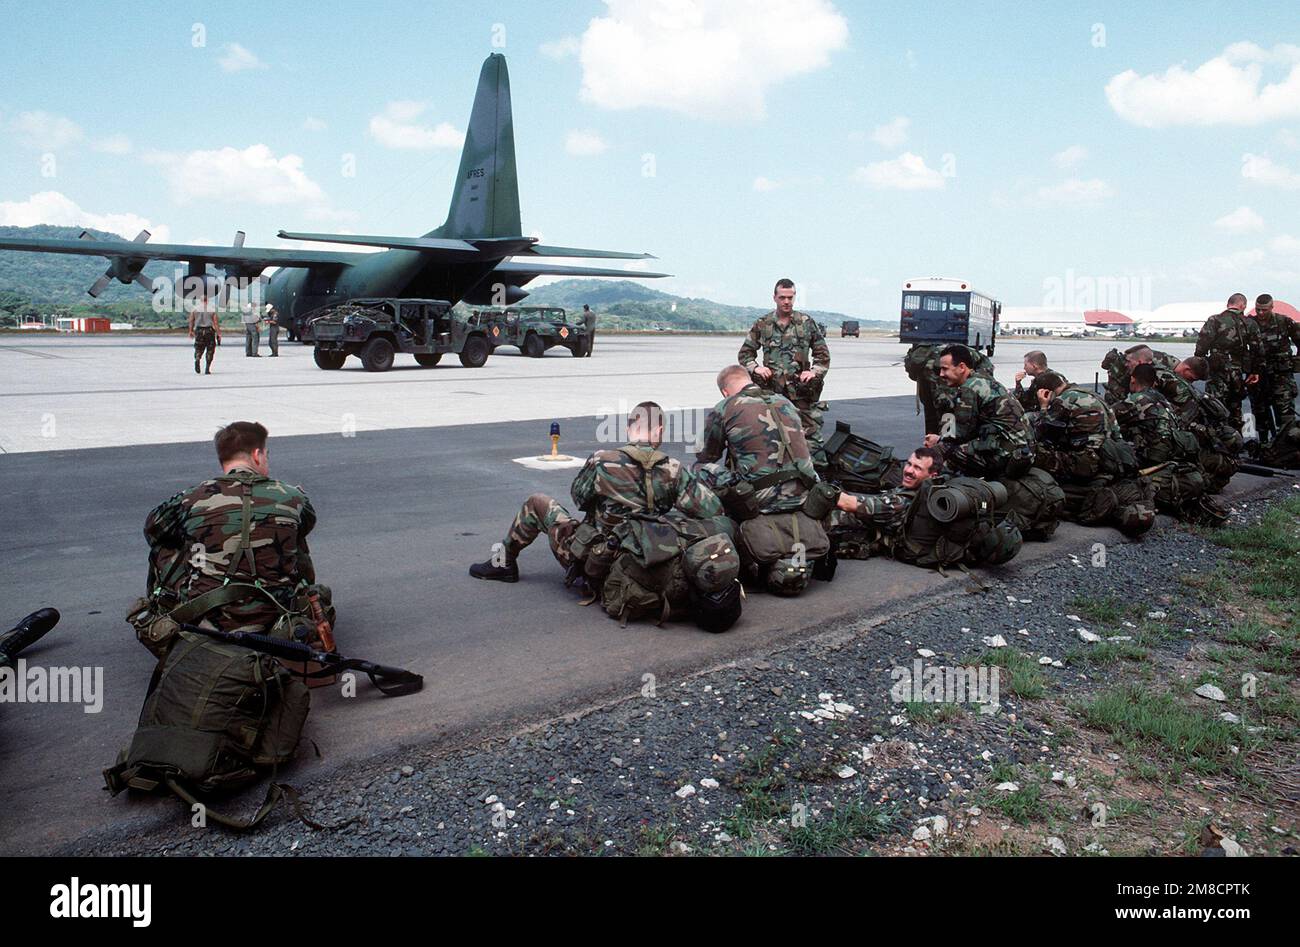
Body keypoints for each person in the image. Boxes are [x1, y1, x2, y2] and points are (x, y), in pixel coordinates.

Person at [468, 402, 724, 583]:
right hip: (643, 561)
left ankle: (503, 563)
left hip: (596, 559)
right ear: (659, 432)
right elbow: (711, 510)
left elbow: (579, 498)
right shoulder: (674, 469)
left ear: (629, 429)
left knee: (537, 503)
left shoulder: (602, 460)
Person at [142, 421, 327, 636]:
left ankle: (167, 605)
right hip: (277, 611)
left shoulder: (192, 497)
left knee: (166, 544)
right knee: (292, 535)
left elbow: (153, 530)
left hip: (206, 613)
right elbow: (306, 525)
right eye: (266, 454)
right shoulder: (292, 496)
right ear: (257, 455)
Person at [1030, 371, 1155, 536]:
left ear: (1046, 391)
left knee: (1037, 453)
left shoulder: (1064, 400)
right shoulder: (1093, 395)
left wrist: (1044, 407)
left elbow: (1043, 433)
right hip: (1111, 459)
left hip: (1087, 463)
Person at [695, 364, 818, 515]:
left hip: (762, 496)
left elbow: (705, 454)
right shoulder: (785, 402)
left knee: (699, 468)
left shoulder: (726, 406)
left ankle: (721, 518)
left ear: (725, 392)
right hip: (807, 491)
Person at [738, 278, 831, 457]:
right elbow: (745, 354)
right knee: (771, 436)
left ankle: (816, 477)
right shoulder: (763, 324)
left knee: (811, 439)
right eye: (782, 297)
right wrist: (755, 368)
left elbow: (823, 355)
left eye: (790, 297)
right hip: (772, 393)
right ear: (775, 298)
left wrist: (813, 372)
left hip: (801, 393)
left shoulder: (805, 322)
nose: (787, 301)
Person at [923, 345, 1034, 479]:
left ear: (962, 367)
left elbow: (961, 434)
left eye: (945, 369)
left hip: (1011, 456)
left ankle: (932, 488)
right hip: (1023, 451)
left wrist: (938, 440)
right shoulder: (984, 380)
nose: (941, 374)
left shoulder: (969, 389)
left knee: (943, 449)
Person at [1195, 293, 1263, 432]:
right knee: (1235, 405)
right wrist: (1255, 371)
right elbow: (1258, 350)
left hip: (1217, 370)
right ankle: (1235, 440)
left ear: (1228, 304)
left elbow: (1202, 343)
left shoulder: (1215, 320)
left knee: (1214, 405)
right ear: (1242, 305)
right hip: (1237, 372)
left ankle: (1216, 439)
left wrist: (1199, 359)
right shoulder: (1250, 323)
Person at [903, 342, 994, 436]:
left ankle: (948, 440)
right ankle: (936, 441)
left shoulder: (953, 359)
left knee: (957, 410)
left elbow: (986, 377)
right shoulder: (921, 365)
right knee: (936, 411)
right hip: (933, 377)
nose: (942, 374)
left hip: (971, 368)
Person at [1246, 293, 1300, 442]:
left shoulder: (1284, 322)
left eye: (1264, 310)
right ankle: (1264, 443)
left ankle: (1286, 446)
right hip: (1259, 376)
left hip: (1281, 377)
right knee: (1260, 411)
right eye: (1258, 310)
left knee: (1284, 413)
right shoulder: (1251, 323)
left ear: (1271, 307)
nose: (1261, 313)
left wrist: (1294, 363)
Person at [1101, 344, 1179, 405]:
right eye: (1127, 361)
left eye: (1129, 362)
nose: (1126, 364)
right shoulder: (1122, 369)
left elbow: (1182, 370)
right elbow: (1113, 402)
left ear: (1140, 362)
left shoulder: (1161, 360)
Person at [187, 293, 221, 375]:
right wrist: (218, 333)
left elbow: (191, 320)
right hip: (209, 330)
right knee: (210, 349)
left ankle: (198, 358)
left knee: (198, 347)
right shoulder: (211, 309)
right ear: (207, 300)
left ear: (201, 300)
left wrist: (190, 331)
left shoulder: (195, 309)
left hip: (198, 330)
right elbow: (215, 323)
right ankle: (207, 368)